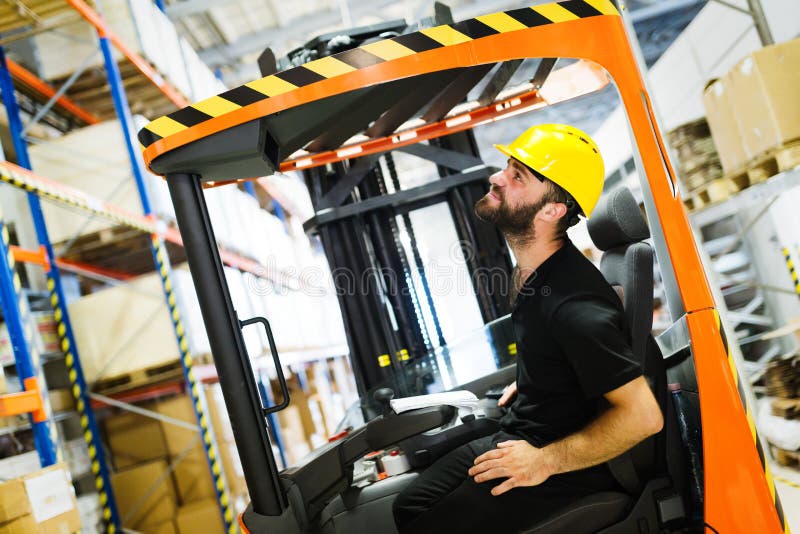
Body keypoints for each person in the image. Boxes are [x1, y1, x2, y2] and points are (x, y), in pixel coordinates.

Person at [392, 124, 664, 533]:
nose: (496, 178)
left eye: (517, 176)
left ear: (552, 210)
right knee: (408, 505)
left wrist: (544, 461)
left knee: (422, 524)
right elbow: (565, 350)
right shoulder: (537, 274)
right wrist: (538, 376)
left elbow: (644, 417)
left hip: (558, 459)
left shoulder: (574, 306)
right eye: (507, 166)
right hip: (527, 426)